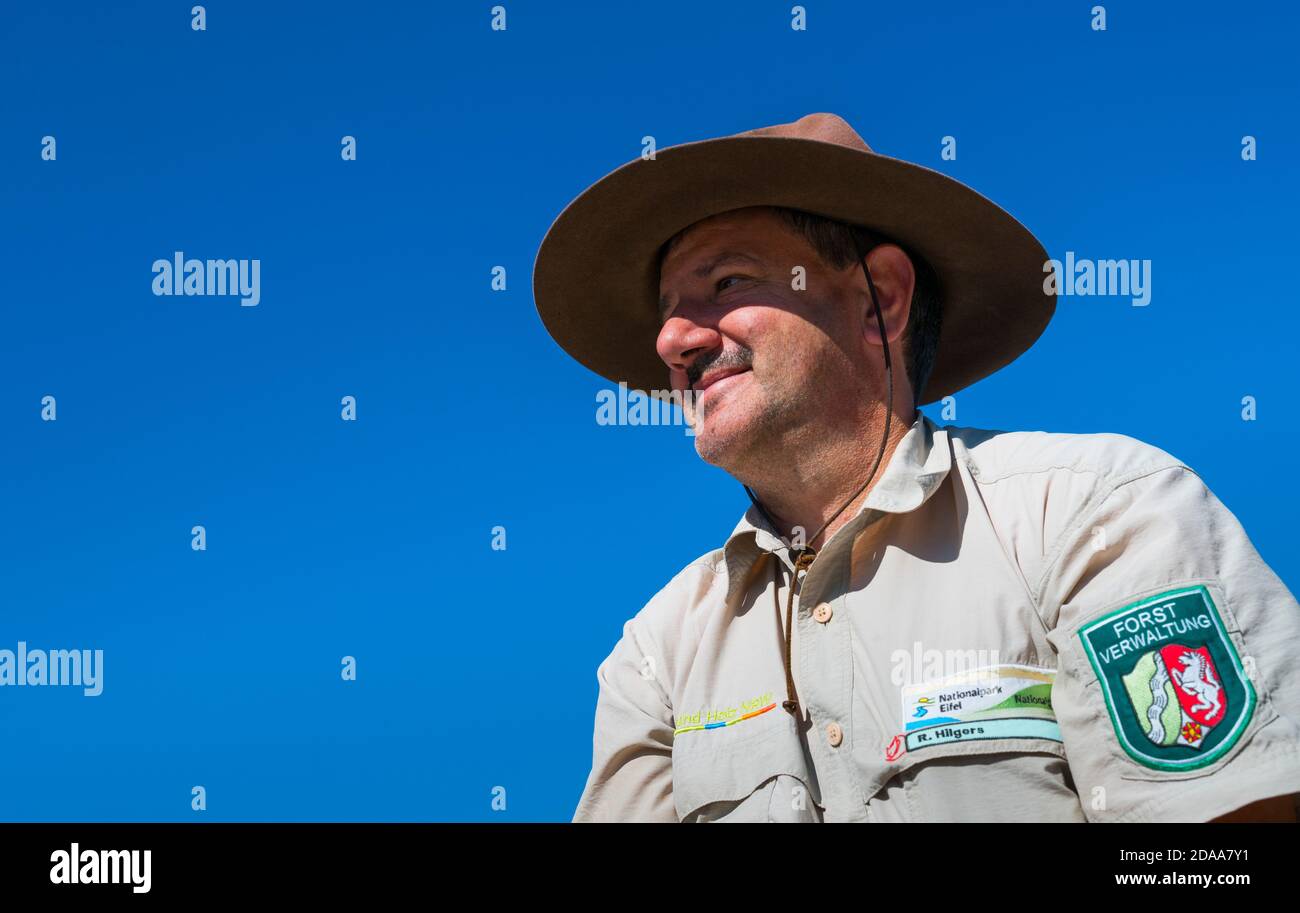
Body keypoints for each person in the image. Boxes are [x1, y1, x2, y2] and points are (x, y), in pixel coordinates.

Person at [532, 112, 1300, 822]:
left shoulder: (1097, 513)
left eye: (727, 283)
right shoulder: (656, 653)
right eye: (668, 310)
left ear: (883, 300)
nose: (673, 340)